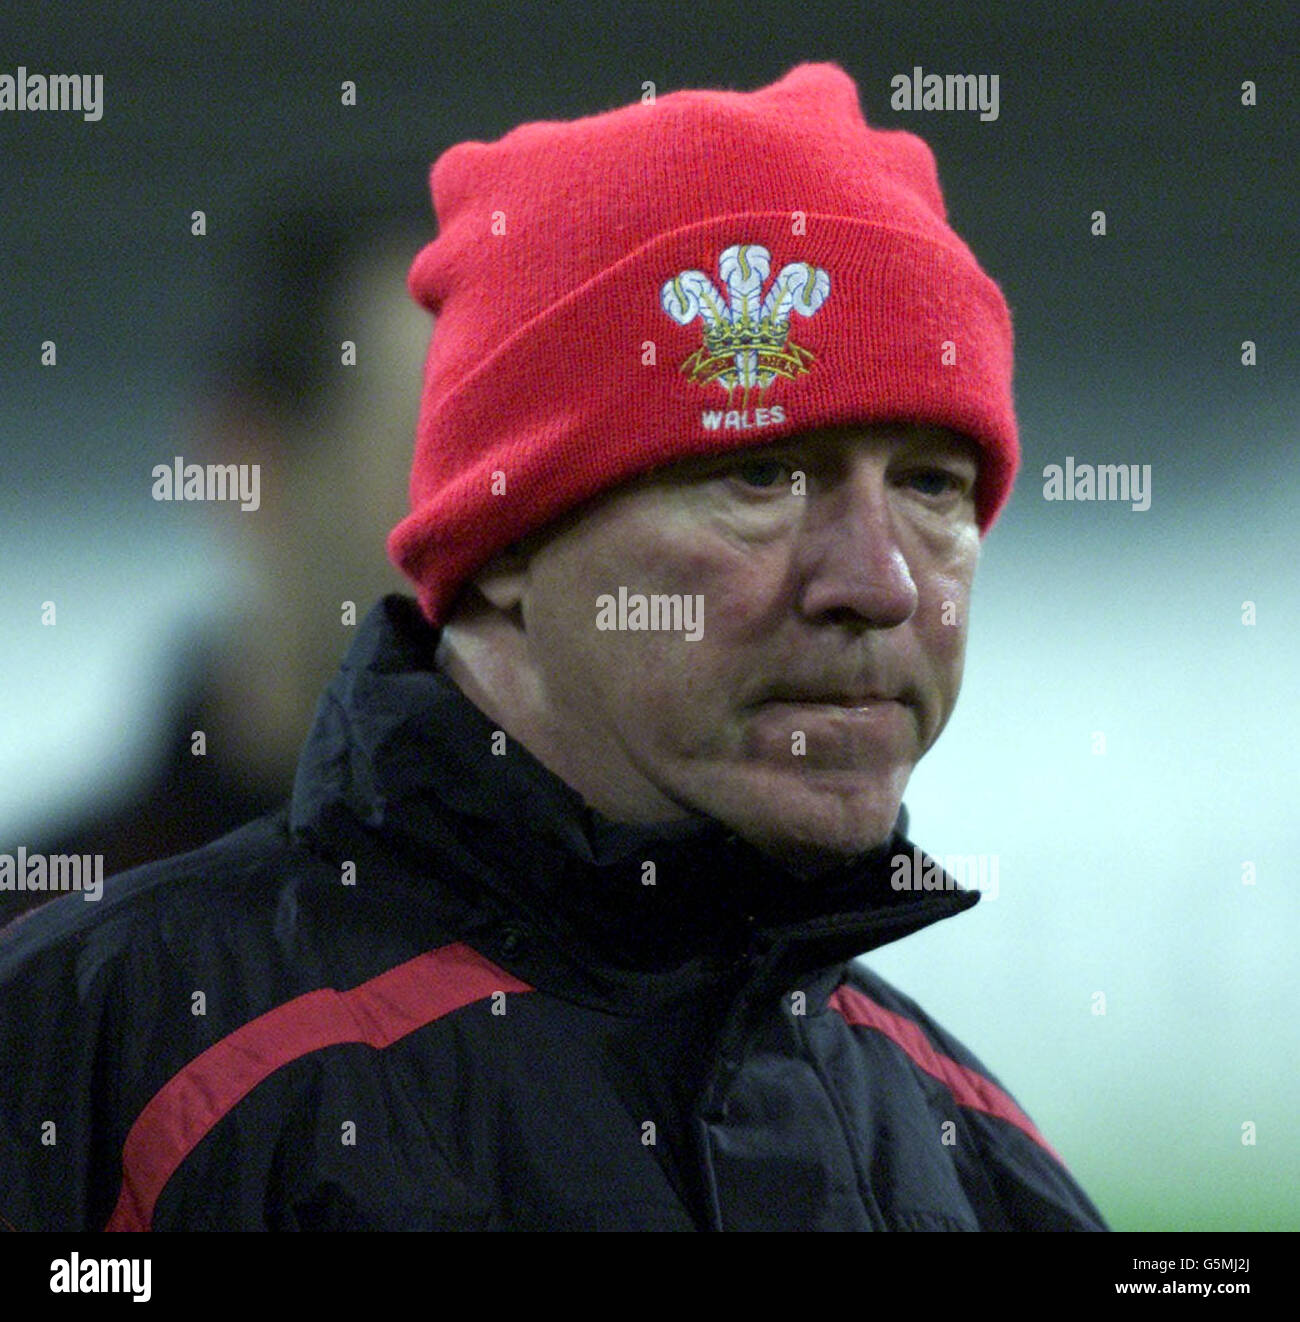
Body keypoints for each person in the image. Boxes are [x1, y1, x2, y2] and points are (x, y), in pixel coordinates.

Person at [0, 62, 1107, 1231]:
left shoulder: (979, 1155)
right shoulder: (101, 1065)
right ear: (507, 540)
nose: (879, 583)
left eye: (935, 483)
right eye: (758, 473)